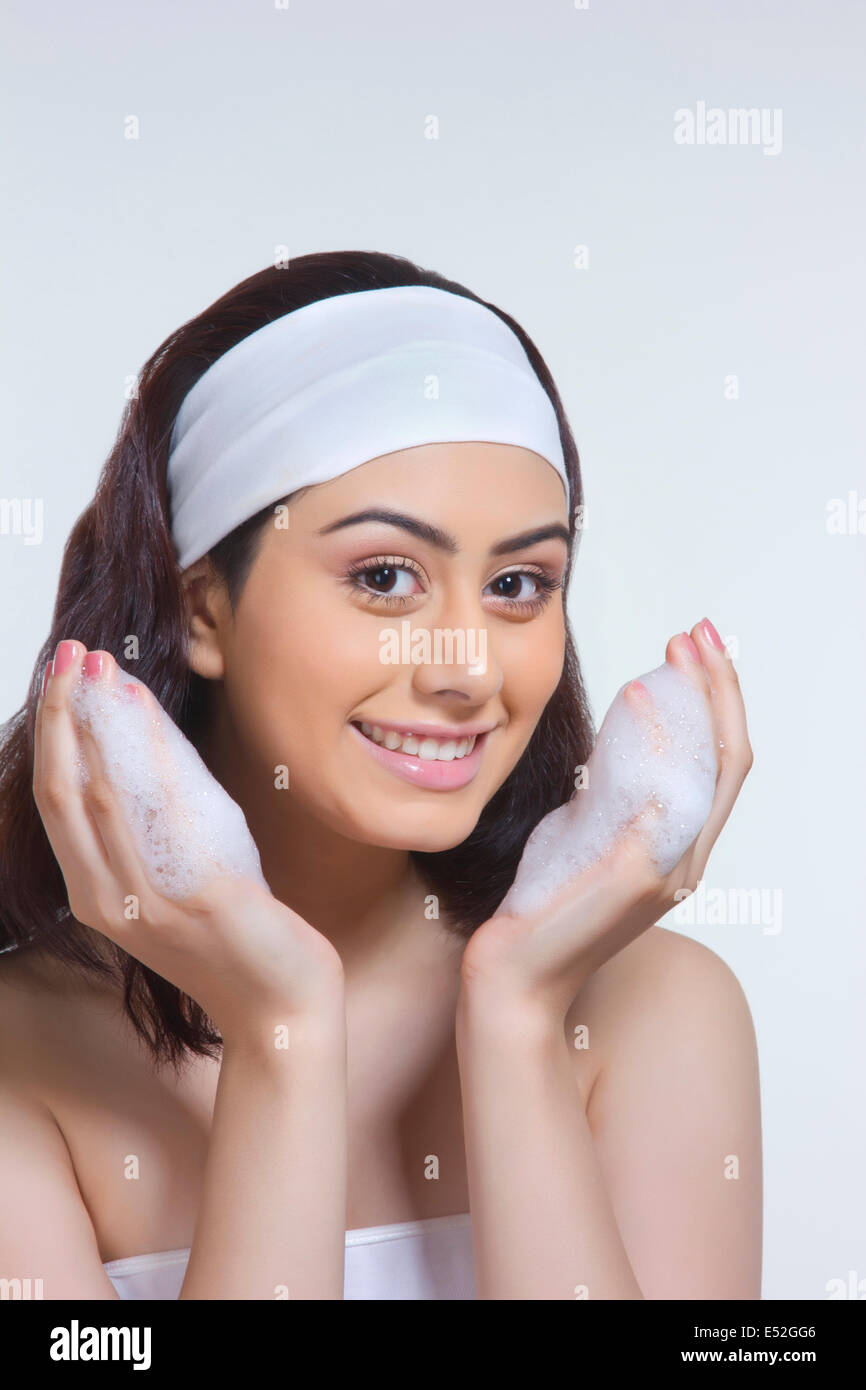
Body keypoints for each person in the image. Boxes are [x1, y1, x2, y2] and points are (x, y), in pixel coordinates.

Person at [0, 250, 759, 1300]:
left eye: (516, 583)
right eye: (385, 576)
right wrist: (283, 1032)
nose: (469, 668)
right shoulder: (20, 1058)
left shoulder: (656, 1013)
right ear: (199, 606)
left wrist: (518, 1017)